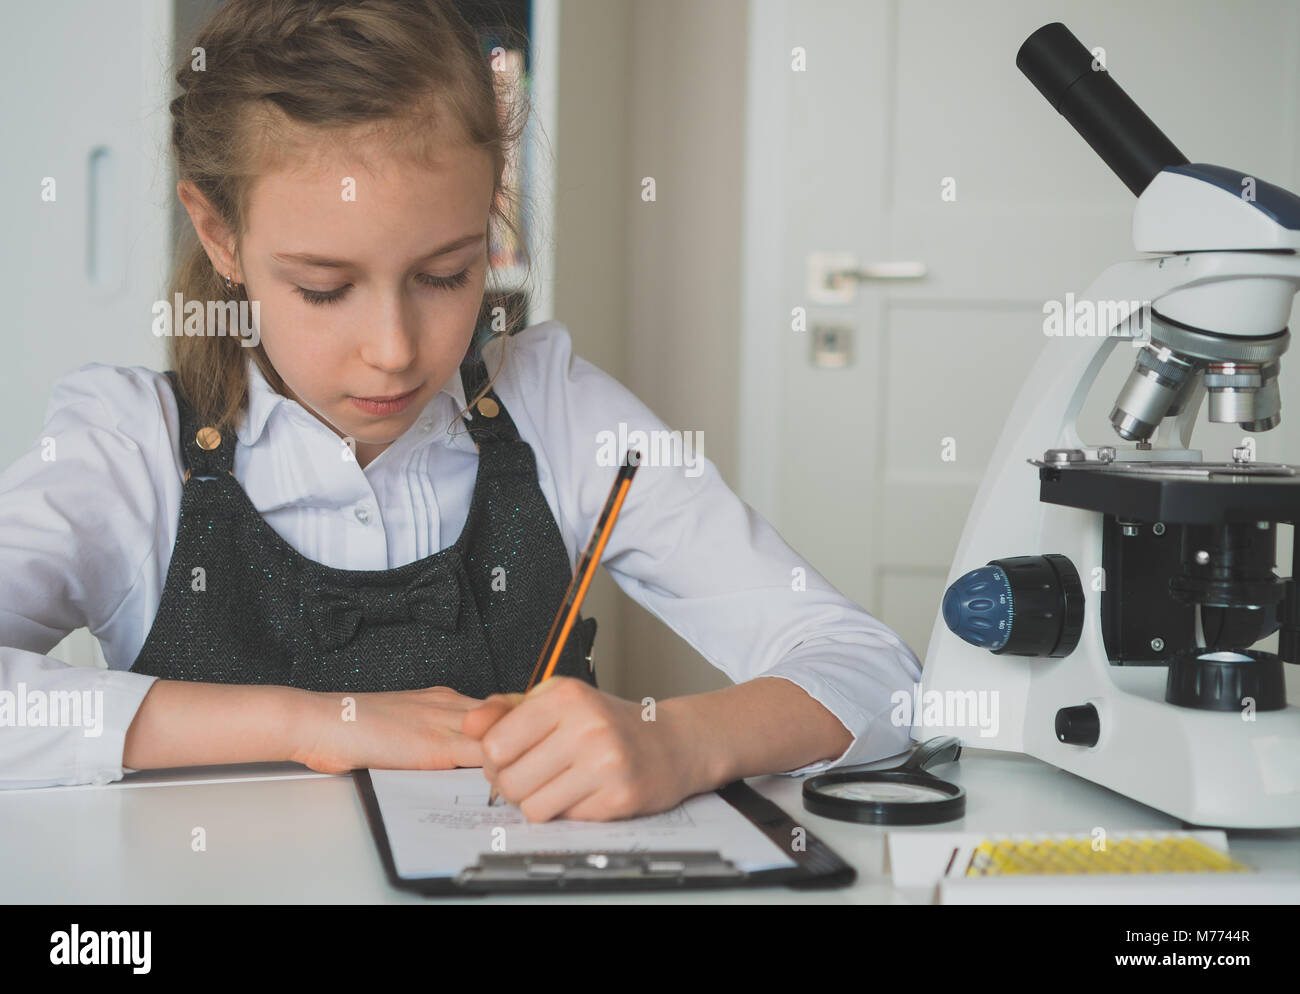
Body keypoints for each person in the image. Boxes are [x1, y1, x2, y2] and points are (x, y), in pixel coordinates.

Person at [0, 0, 920, 820]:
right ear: (219, 235)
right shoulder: (127, 449)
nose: (397, 350)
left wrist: (680, 739)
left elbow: (870, 669)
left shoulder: (555, 409)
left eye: (446, 273)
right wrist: (316, 723)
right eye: (325, 288)